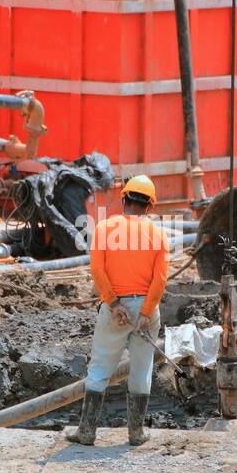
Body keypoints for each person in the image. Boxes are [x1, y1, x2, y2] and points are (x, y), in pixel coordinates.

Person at [69, 175, 169, 447]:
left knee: (100, 366)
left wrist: (114, 304)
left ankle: (87, 432)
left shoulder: (104, 228)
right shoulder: (158, 234)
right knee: (141, 368)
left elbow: (97, 270)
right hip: (145, 310)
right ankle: (136, 433)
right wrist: (146, 313)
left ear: (124, 199)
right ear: (150, 206)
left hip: (115, 309)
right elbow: (160, 280)